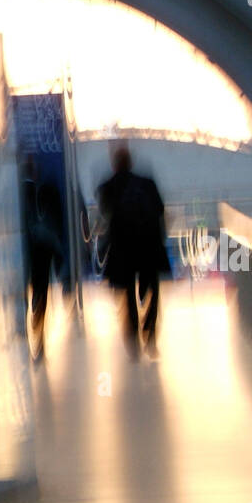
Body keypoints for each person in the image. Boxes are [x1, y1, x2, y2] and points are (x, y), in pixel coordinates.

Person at [96, 142, 169, 360]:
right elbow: (160, 210)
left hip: (123, 250)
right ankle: (151, 335)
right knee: (152, 292)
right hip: (148, 247)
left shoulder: (107, 186)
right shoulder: (147, 184)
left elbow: (106, 214)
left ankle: (133, 340)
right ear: (131, 161)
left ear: (114, 163)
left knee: (126, 296)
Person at [21, 158, 65, 360]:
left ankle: (30, 330)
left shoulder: (16, 194)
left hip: (24, 252)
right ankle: (38, 333)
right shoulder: (50, 191)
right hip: (43, 252)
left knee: (28, 291)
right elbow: (57, 226)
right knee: (41, 292)